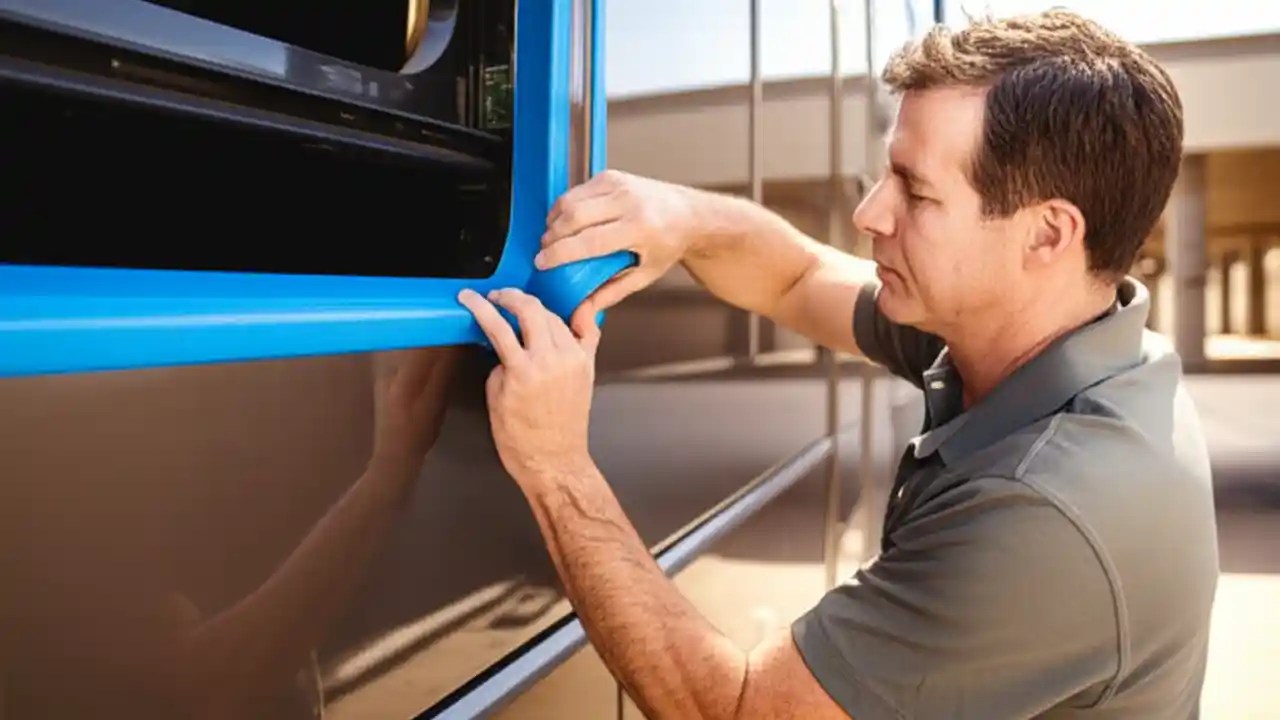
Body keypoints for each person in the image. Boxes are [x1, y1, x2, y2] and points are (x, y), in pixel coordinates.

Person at [444, 9, 1218, 719]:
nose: (869, 213)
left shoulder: (1046, 514)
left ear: (1048, 235)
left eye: (915, 192)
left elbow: (737, 712)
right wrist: (683, 218)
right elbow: (799, 278)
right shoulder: (1059, 333)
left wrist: (557, 471)